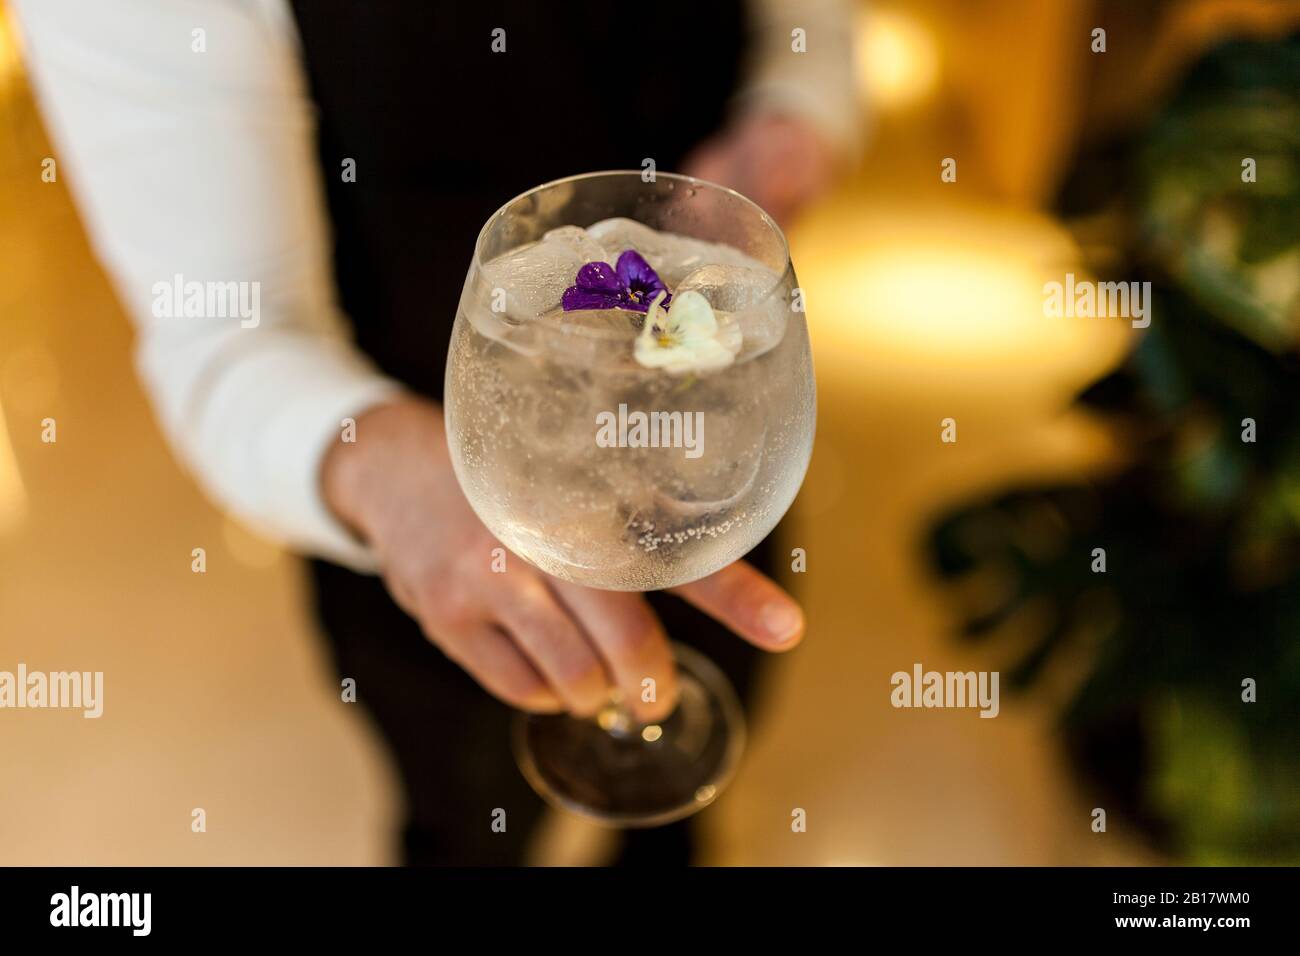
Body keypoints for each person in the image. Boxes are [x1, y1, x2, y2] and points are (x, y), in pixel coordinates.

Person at [14, 0, 860, 864]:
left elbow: (811, 22)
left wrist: (796, 108)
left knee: (681, 792)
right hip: (444, 523)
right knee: (463, 816)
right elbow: (225, 330)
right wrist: (379, 468)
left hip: (713, 460)